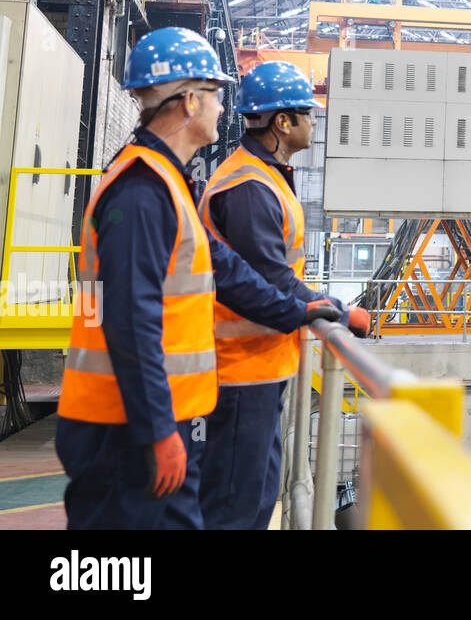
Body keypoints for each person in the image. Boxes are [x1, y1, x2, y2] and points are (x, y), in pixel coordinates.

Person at [56, 28, 341, 530]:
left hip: (156, 416)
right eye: (215, 94)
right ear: (189, 101)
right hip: (123, 426)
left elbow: (224, 267)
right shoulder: (141, 193)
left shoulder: (168, 183)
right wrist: (157, 431)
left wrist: (298, 311)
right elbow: (131, 321)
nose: (223, 108)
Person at [198, 61, 369, 530]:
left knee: (255, 498)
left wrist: (323, 305)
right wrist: (335, 309)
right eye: (308, 114)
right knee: (237, 507)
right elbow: (271, 278)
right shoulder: (249, 186)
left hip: (260, 364)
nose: (315, 122)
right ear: (282, 122)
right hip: (240, 370)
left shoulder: (263, 176)